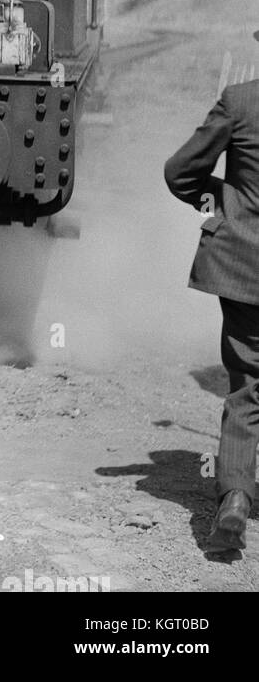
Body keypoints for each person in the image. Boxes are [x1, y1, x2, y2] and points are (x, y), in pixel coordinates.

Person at [164, 64, 259, 555]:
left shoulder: (241, 102)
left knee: (247, 387)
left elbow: (179, 171)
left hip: (245, 268)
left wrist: (220, 204)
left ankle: (236, 499)